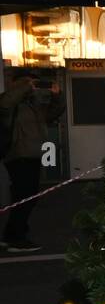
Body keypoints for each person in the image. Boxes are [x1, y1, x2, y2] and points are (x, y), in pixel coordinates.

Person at [1, 70, 65, 253]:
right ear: (17, 84)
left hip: (35, 155)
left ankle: (11, 235)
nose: (33, 86)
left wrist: (57, 95)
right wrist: (25, 86)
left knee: (27, 197)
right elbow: (5, 104)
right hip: (18, 155)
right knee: (24, 197)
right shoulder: (11, 104)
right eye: (28, 82)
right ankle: (17, 238)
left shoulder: (34, 106)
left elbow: (54, 113)